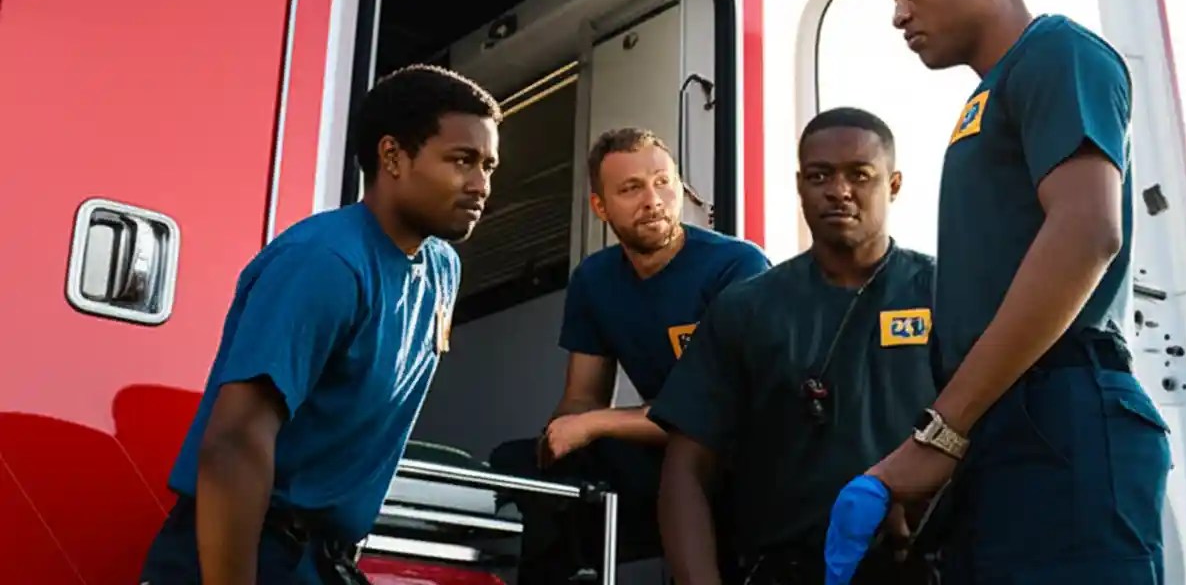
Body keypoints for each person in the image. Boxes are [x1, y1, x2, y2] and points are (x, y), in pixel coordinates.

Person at [842, 0, 1171, 584]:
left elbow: (1087, 233)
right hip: (1003, 425)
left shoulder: (1059, 52)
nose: (898, 13)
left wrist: (942, 432)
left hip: (1064, 416)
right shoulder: (983, 102)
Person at [138, 65, 502, 585]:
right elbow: (235, 441)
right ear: (393, 156)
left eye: (489, 165)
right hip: (243, 555)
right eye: (462, 160)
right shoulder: (325, 262)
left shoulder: (443, 268)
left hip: (323, 560)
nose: (481, 185)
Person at [650, 108, 940, 585]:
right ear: (800, 185)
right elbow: (685, 471)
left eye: (860, 175)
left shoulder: (946, 294)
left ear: (894, 185)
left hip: (924, 566)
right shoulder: (746, 309)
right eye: (820, 175)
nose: (839, 191)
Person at [488, 127, 770, 584]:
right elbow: (581, 398)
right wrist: (559, 438)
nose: (653, 199)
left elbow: (722, 413)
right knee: (521, 465)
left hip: (741, 456)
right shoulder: (594, 280)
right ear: (600, 207)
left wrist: (595, 423)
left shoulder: (736, 266)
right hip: (663, 445)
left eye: (663, 181)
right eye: (631, 188)